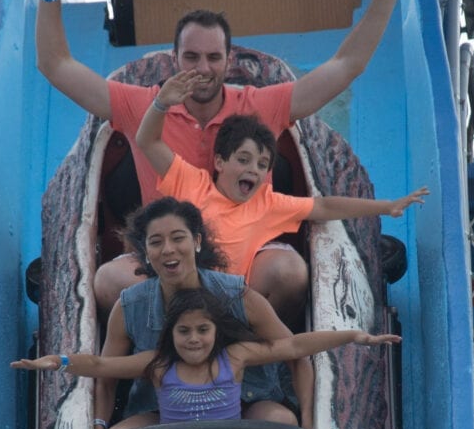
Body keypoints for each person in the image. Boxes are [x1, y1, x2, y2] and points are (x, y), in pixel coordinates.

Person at [34, 0, 411, 311]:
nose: (203, 68)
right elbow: (56, 66)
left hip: (245, 265)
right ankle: (162, 352)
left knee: (290, 272)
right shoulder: (143, 105)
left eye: (214, 58)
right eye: (192, 57)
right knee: (108, 281)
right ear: (175, 59)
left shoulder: (260, 106)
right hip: (167, 266)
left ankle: (259, 351)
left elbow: (346, 66)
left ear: (229, 60)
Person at [134, 85, 427, 312]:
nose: (253, 169)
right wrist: (161, 102)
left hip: (228, 308)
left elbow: (324, 206)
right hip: (179, 300)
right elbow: (147, 140)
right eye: (244, 159)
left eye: (262, 165)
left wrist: (386, 207)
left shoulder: (267, 202)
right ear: (220, 162)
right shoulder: (191, 182)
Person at [14, 289, 399, 426]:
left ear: (216, 332)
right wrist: (58, 362)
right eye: (184, 331)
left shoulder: (237, 356)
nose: (194, 340)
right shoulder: (159, 365)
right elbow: (99, 366)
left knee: (280, 426)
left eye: (202, 330)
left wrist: (354, 335)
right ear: (171, 335)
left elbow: (294, 346)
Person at [95, 195, 308, 429]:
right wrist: (97, 427)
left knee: (281, 422)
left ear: (196, 241)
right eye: (156, 242)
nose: (168, 249)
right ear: (144, 251)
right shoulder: (129, 306)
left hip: (243, 402)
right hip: (164, 410)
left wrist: (310, 424)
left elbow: (296, 354)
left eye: (178, 238)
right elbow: (105, 376)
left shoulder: (237, 295)